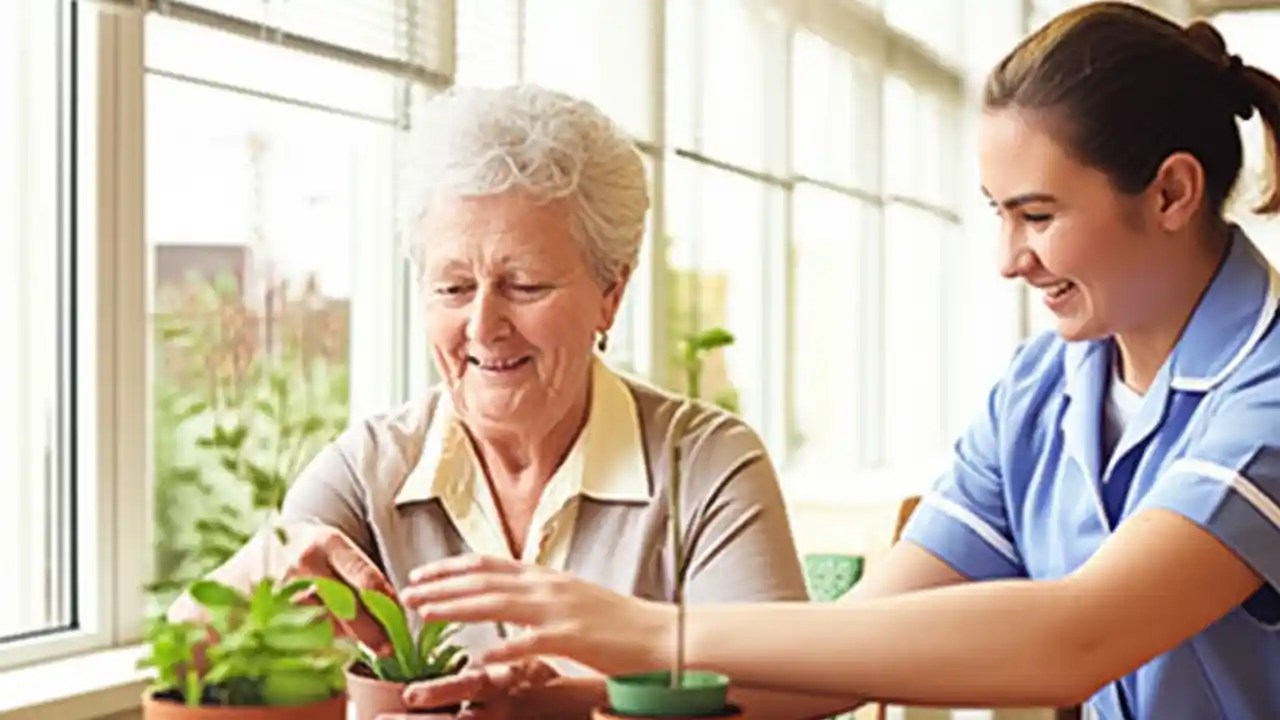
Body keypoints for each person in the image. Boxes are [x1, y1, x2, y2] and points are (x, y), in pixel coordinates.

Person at [397, 4, 1280, 718]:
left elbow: (1077, 640)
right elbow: (855, 647)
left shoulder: (1267, 389)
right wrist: (596, 700)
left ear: (1171, 191)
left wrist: (656, 632)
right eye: (998, 214)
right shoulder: (1039, 391)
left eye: (1038, 216)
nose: (1009, 257)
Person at [168, 85, 813, 716]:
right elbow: (185, 667)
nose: (482, 325)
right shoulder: (368, 471)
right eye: (452, 288)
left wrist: (574, 704)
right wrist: (253, 575)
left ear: (610, 293)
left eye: (524, 285)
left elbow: (788, 692)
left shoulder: (704, 464)